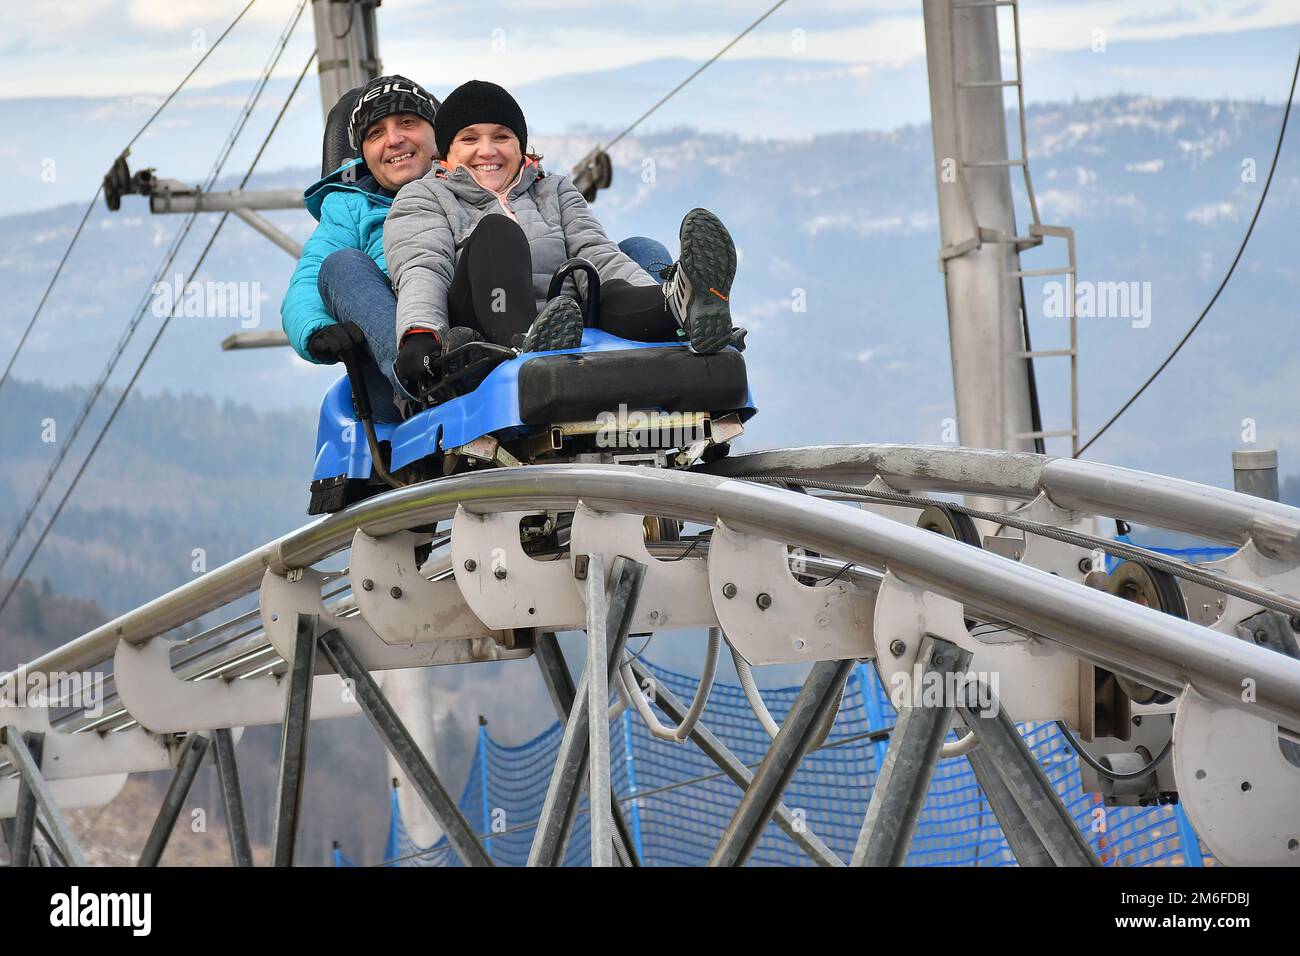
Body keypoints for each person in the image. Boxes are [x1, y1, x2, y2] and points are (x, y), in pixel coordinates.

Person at [384, 80, 741, 403]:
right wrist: (420, 333)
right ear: (445, 154)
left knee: (600, 279)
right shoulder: (425, 196)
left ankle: (681, 307)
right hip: (483, 330)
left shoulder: (552, 189)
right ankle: (525, 342)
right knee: (496, 232)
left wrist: (641, 289)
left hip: (566, 323)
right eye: (470, 139)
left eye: (502, 137)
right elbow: (423, 266)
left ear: (521, 147)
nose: (487, 150)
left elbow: (596, 250)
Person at [280, 74, 442, 422]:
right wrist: (316, 329)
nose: (394, 140)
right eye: (376, 134)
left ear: (437, 136)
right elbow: (309, 279)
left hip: (470, 338)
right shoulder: (350, 209)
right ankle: (427, 383)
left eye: (407, 123)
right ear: (365, 156)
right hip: (397, 382)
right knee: (341, 265)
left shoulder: (467, 187)